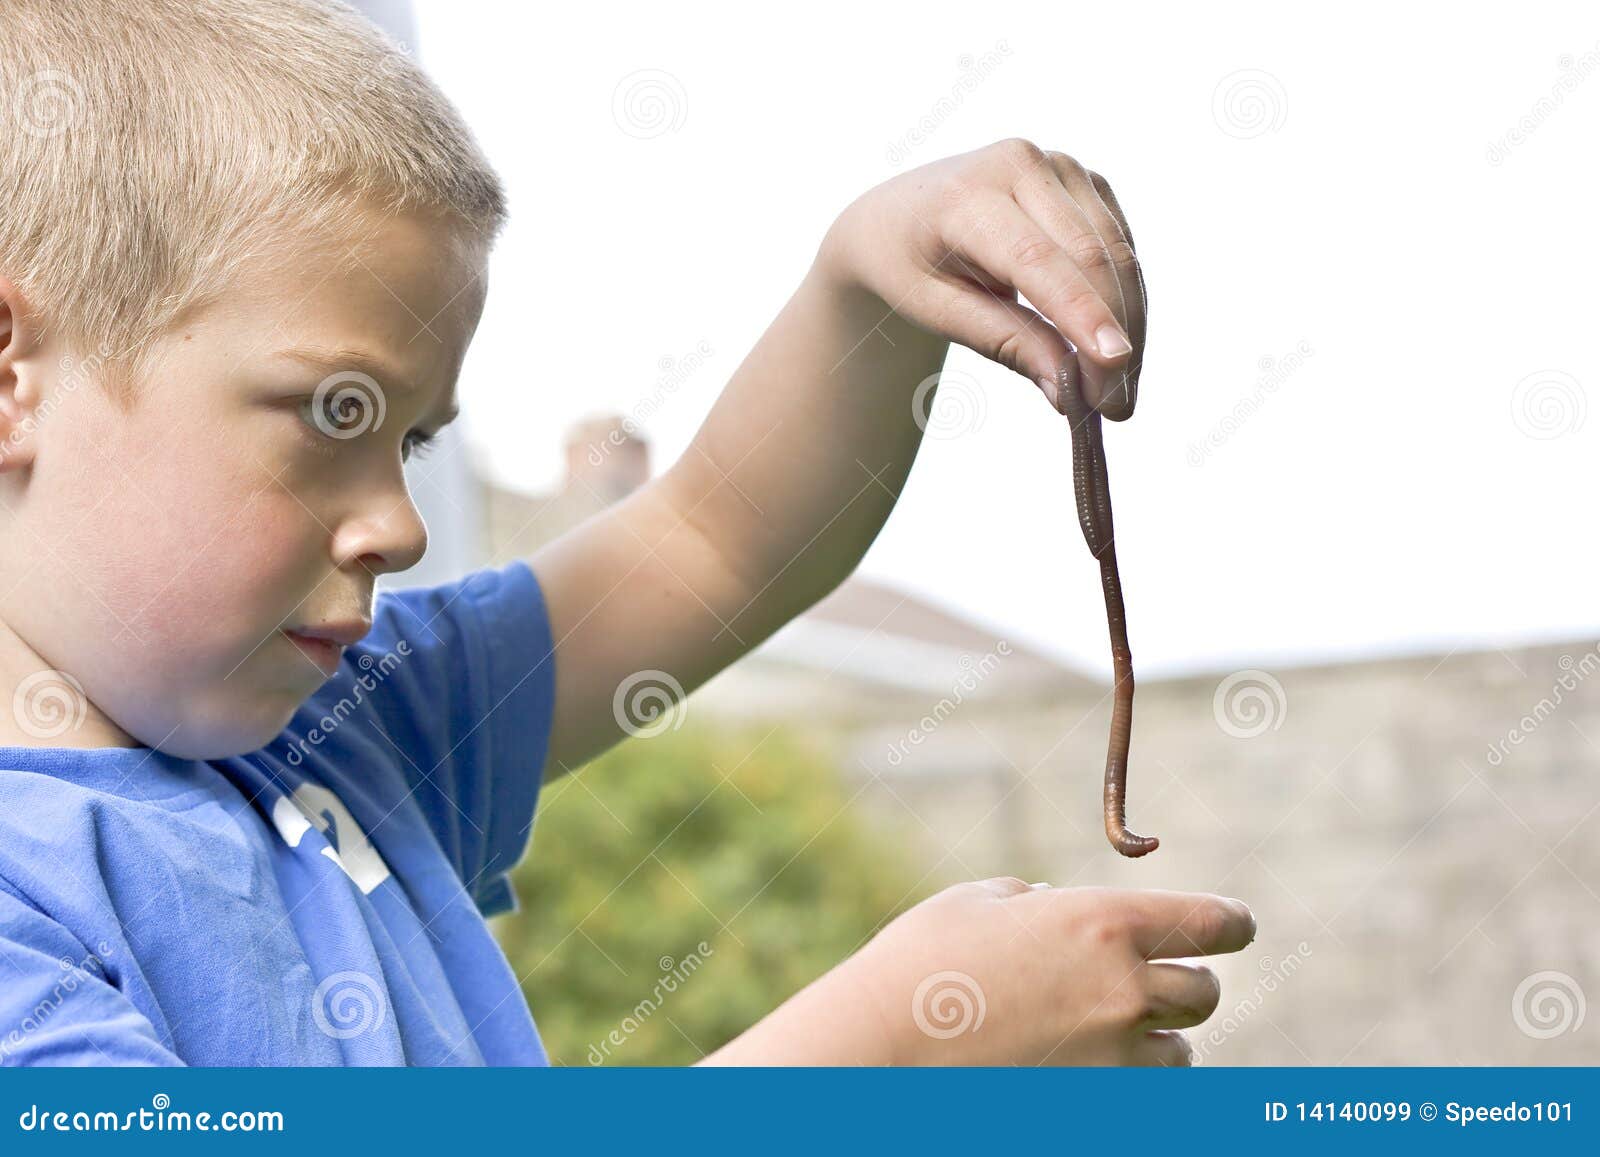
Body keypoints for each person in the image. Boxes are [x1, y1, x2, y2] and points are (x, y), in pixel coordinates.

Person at [0, 0, 1254, 1066]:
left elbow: (712, 539)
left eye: (413, 440)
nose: (397, 523)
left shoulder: (345, 728)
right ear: (15, 377)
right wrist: (885, 1050)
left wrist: (868, 281)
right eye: (333, 413)